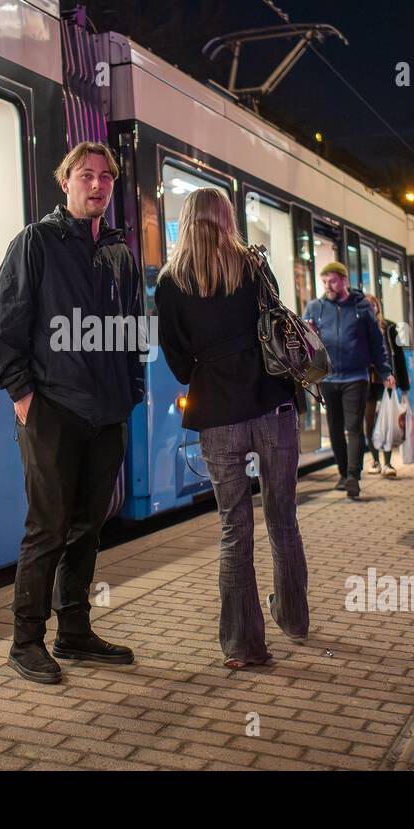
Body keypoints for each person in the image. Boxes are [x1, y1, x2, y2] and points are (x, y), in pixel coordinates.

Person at [0, 141, 144, 684]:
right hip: (52, 410)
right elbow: (2, 329)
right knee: (47, 528)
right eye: (85, 175)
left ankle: (73, 631)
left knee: (87, 528)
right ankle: (25, 641)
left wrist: (132, 390)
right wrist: (23, 396)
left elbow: (133, 333)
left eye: (105, 177)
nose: (97, 185)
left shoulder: (120, 252)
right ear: (65, 181)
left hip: (107, 415)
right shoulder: (37, 242)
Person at [155, 187, 309, 668]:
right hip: (272, 404)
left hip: (217, 412)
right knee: (282, 516)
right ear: (227, 217)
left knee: (234, 527)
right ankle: (294, 616)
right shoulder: (253, 265)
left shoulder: (169, 281)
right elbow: (278, 325)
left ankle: (244, 646)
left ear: (185, 219)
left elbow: (178, 362)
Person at [302, 262, 393, 499]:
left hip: (356, 376)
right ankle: (343, 473)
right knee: (334, 427)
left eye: (332, 281)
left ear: (344, 280)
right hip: (328, 377)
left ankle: (354, 476)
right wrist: (310, 334)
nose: (328, 286)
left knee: (353, 427)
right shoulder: (315, 307)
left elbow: (376, 343)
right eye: (324, 282)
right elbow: (303, 344)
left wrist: (385, 373)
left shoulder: (362, 307)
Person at [363, 295, 411, 477]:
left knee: (389, 422)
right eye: (368, 305)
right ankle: (375, 460)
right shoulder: (360, 329)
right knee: (370, 423)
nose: (372, 307)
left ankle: (388, 463)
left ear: (378, 306)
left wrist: (404, 386)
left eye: (374, 304)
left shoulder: (390, 328)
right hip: (367, 384)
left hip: (386, 383)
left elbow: (398, 357)